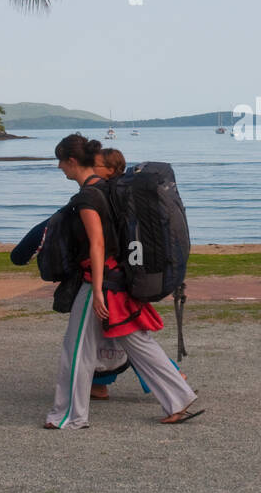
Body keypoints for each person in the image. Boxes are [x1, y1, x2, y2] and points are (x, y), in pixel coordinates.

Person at [44, 134, 201, 428]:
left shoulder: (88, 197)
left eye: (61, 162)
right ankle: (179, 397)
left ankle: (69, 416)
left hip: (100, 283)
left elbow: (98, 244)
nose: (59, 168)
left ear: (73, 161)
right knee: (138, 341)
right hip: (121, 278)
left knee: (76, 349)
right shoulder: (111, 188)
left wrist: (99, 292)